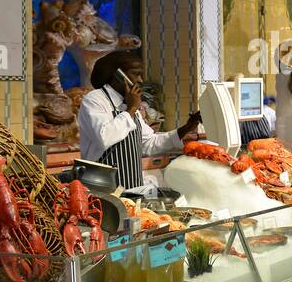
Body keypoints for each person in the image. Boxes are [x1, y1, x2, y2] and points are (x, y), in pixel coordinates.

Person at [77, 51, 201, 189]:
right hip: (101, 189)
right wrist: (131, 109)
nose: (141, 80)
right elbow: (104, 137)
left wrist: (186, 128)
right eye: (136, 74)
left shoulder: (129, 105)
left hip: (132, 187)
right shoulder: (95, 100)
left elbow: (149, 143)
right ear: (118, 75)